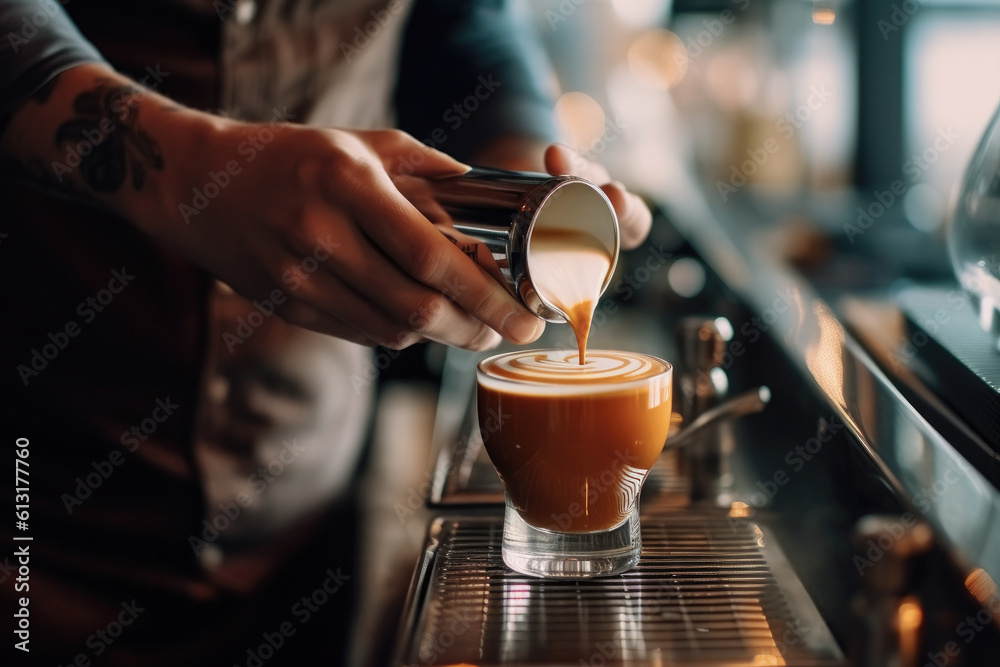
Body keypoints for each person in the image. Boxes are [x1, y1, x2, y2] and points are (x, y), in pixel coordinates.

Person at [0, 0, 652, 664]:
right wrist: (192, 168)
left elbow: (460, 22)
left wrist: (520, 171)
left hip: (310, 524)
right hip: (39, 531)